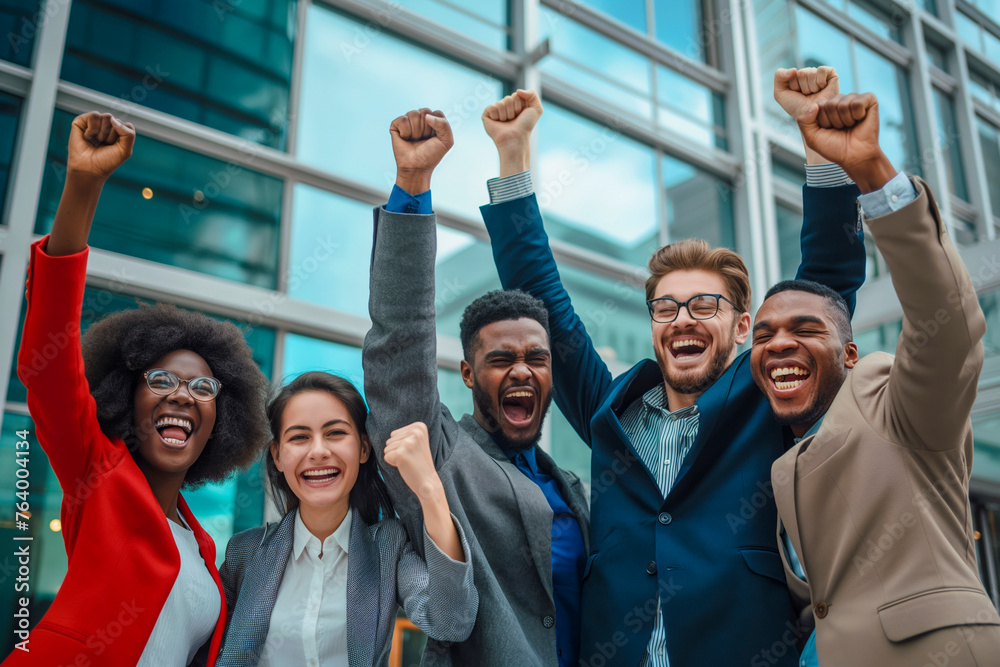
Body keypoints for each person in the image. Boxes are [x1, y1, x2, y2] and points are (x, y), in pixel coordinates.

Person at [476, 67, 865, 667]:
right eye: (666, 307)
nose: (682, 318)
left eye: (705, 305)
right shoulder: (611, 409)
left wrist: (818, 142)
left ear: (740, 327)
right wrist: (512, 158)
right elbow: (544, 300)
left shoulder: (763, 401)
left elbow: (825, 289)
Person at [4, 112, 270, 667]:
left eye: (203, 387)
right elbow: (48, 363)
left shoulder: (202, 546)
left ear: (222, 420)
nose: (182, 396)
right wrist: (84, 184)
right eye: (161, 380)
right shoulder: (95, 473)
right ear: (129, 397)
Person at [751, 89, 1000, 665]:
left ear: (852, 355)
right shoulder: (784, 458)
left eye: (805, 329)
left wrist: (868, 172)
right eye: (763, 336)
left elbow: (949, 326)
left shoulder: (899, 410)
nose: (780, 343)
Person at [363, 108, 590, 666]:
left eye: (536, 358)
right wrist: (413, 186)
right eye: (501, 359)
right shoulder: (441, 454)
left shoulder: (572, 486)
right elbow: (399, 339)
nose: (521, 370)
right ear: (467, 374)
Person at [214, 372, 477, 667]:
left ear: (364, 447)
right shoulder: (244, 552)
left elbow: (451, 622)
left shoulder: (389, 547)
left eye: (335, 433)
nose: (318, 452)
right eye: (299, 437)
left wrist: (429, 487)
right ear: (277, 455)